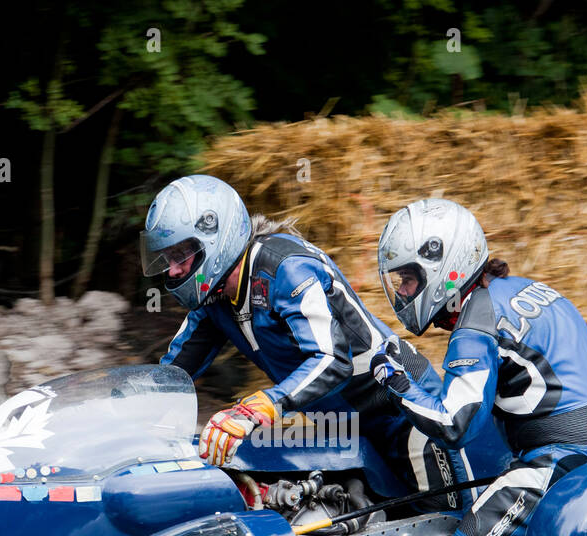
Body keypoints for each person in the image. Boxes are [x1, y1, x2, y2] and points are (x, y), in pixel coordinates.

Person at [371, 198, 587, 536]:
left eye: (409, 279)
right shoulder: (519, 288)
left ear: (444, 271)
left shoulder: (473, 329)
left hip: (575, 457)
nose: (402, 291)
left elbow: (455, 426)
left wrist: (398, 385)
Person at [140, 174, 466, 508]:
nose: (174, 270)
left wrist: (261, 406)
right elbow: (171, 377)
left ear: (215, 242)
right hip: (342, 429)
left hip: (404, 410)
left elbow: (332, 360)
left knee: (446, 527)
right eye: (168, 258)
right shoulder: (213, 299)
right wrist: (129, 412)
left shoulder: (287, 269)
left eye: (182, 254)